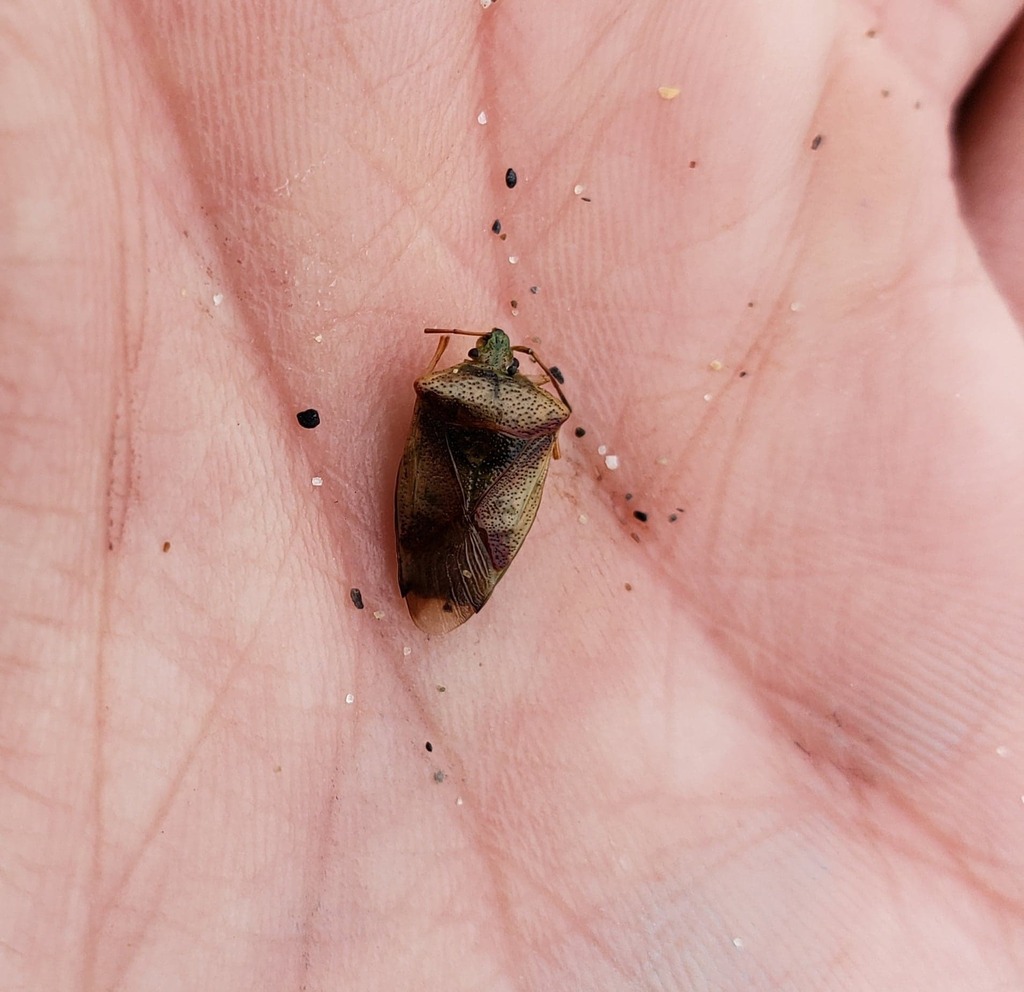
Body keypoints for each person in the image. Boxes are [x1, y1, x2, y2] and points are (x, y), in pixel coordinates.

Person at [3, 2, 1023, 987]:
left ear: (462, 374)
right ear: (526, 395)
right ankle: (452, 593)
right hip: (487, 500)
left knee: (446, 536)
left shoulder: (448, 398)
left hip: (452, 473)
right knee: (462, 553)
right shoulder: (530, 418)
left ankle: (440, 589)